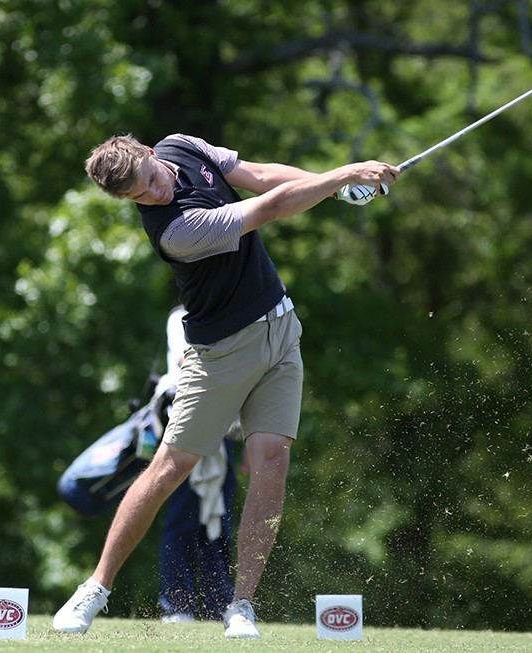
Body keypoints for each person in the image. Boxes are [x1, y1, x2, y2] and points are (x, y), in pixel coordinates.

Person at [53, 133, 400, 639]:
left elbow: (259, 177)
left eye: (150, 182)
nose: (153, 196)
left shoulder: (182, 146)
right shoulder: (174, 230)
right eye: (138, 198)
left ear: (152, 154)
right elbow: (267, 208)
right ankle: (96, 589)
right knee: (172, 468)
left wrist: (331, 187)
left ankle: (241, 605)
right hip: (220, 355)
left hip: (281, 329)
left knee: (272, 462)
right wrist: (344, 176)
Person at [155, 305, 238, 623]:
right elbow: (188, 361)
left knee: (218, 522)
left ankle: (221, 605)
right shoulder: (180, 317)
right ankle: (177, 606)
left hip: (222, 435)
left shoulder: (232, 315)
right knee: (182, 520)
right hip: (184, 428)